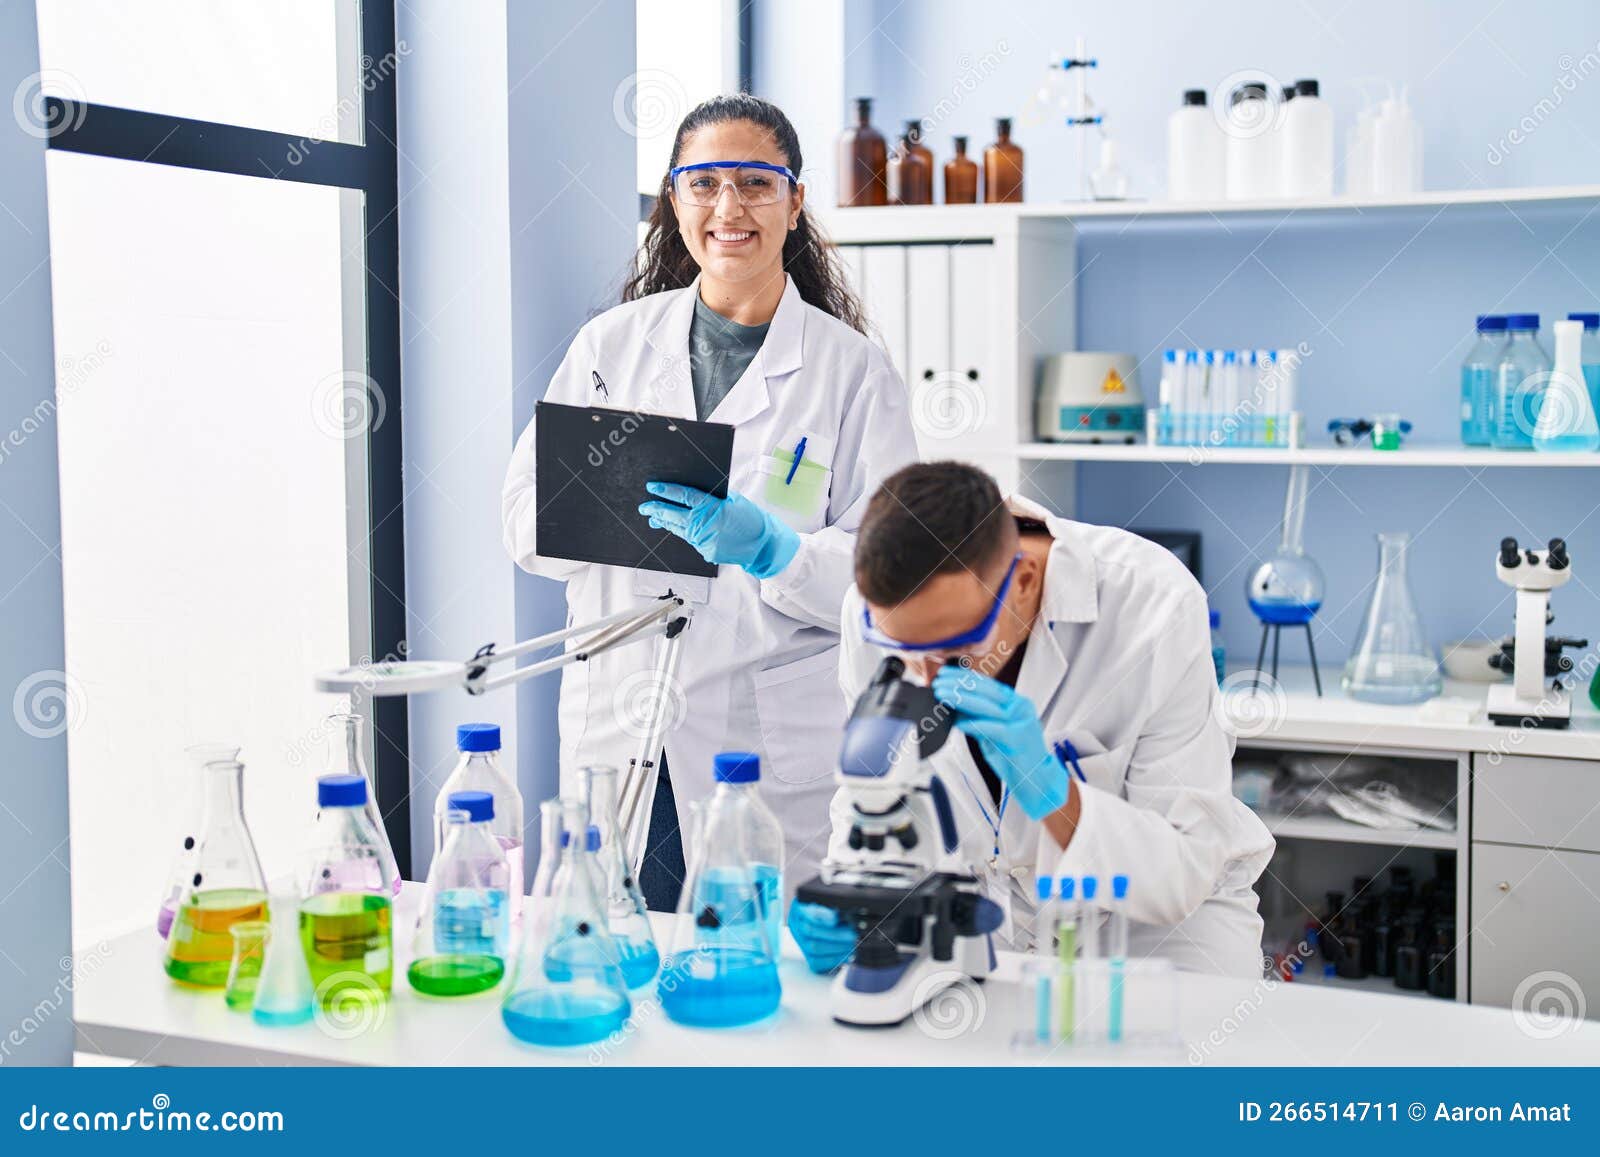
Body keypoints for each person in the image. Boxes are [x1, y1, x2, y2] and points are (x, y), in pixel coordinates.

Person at [502, 94, 918, 911]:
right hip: (616, 724)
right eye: (704, 183)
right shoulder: (611, 346)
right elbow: (522, 518)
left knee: (756, 982)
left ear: (795, 203)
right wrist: (598, 514)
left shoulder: (852, 373)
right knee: (611, 966)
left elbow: (893, 578)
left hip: (760, 741)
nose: (730, 208)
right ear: (674, 202)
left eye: (757, 183)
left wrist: (776, 551)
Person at [791, 461, 1274, 977]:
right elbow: (879, 784)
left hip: (1155, 932)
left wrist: (1052, 794)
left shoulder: (1153, 604)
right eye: (899, 648)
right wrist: (849, 893)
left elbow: (1179, 875)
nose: (921, 674)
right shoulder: (872, 610)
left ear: (1022, 581)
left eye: (950, 646)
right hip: (981, 914)